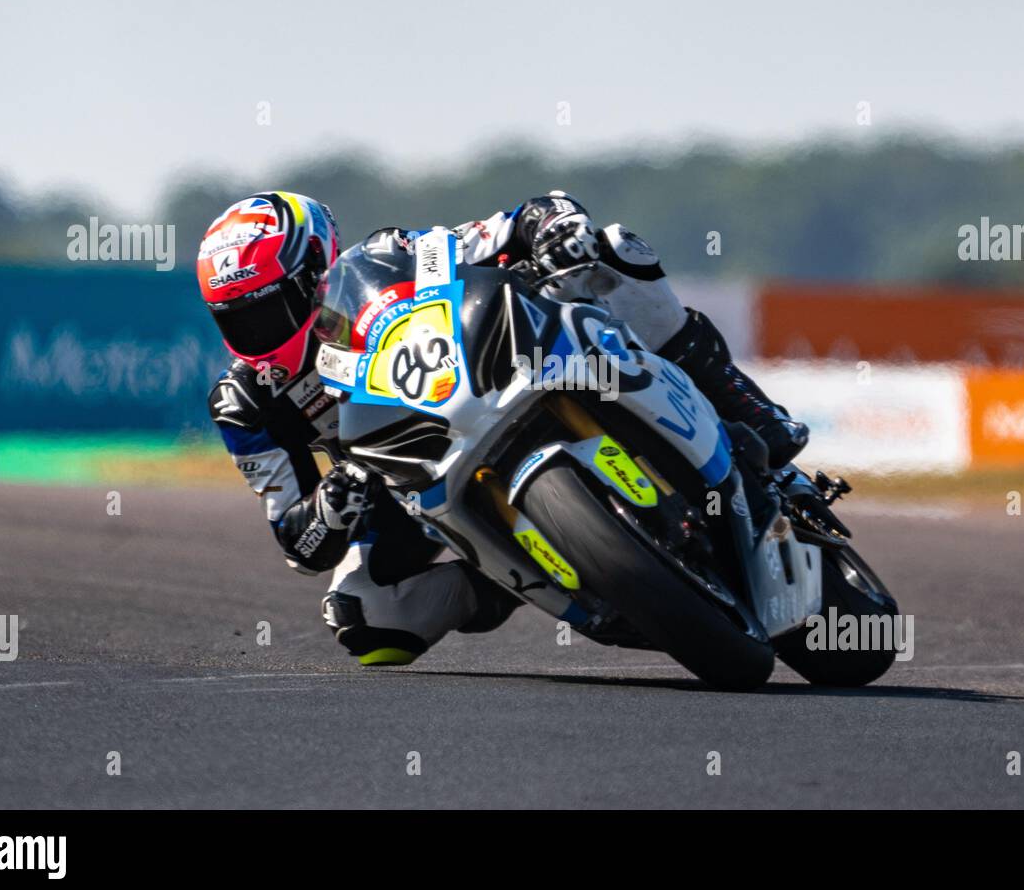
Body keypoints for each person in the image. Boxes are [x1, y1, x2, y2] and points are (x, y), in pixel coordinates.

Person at [197, 190, 808, 666]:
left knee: (617, 249)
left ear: (313, 270)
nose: (259, 336)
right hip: (405, 481)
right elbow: (297, 543)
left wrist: (557, 231)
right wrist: (332, 504)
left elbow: (521, 219)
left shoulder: (391, 254)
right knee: (366, 618)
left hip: (511, 365)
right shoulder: (245, 402)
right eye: (240, 322)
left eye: (268, 310)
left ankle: (747, 410)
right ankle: (520, 572)